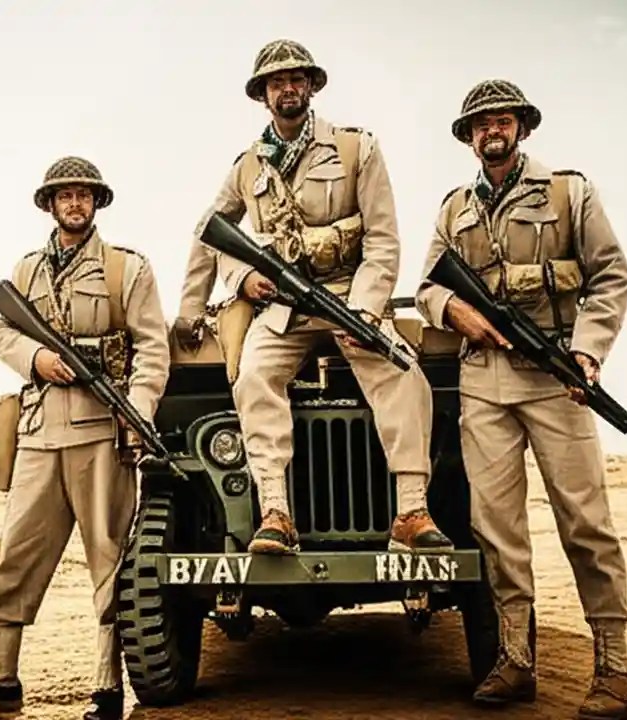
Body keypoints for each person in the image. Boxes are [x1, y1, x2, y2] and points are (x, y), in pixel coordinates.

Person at [414, 79, 627, 719]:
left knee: (586, 523)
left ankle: (615, 670)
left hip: (555, 377)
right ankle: (514, 659)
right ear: (468, 136)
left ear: (522, 127)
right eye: (481, 123)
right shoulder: (454, 208)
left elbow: (611, 276)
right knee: (496, 528)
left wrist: (588, 353)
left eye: (503, 120)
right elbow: (428, 286)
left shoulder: (568, 193)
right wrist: (453, 309)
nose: (493, 130)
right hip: (483, 383)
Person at [178, 38, 453, 556]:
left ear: (310, 87)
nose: (287, 88)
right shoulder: (248, 166)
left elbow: (383, 238)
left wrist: (364, 310)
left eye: (295, 79)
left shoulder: (355, 148)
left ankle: (412, 511)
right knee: (253, 375)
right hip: (285, 307)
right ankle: (275, 513)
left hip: (349, 293)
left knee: (402, 373)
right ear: (263, 94)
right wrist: (232, 286)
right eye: (276, 82)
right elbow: (209, 234)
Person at [0, 156, 170, 720]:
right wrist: (37, 358)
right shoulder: (26, 271)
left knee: (109, 560)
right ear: (50, 204)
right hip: (39, 434)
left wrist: (138, 413)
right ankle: (1, 678)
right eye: (64, 195)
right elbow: (1, 332)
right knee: (16, 555)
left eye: (84, 194)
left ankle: (107, 687)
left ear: (97, 203)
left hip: (100, 433)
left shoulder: (125, 268)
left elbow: (152, 349)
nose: (74, 203)